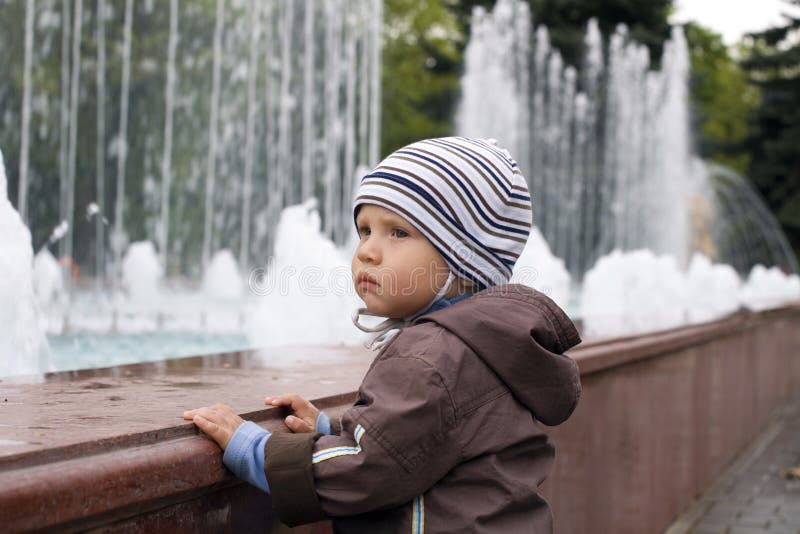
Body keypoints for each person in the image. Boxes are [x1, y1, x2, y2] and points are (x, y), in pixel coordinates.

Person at [183, 136, 582, 533]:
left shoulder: (431, 357)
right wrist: (330, 432)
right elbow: (423, 445)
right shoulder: (484, 344)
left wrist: (254, 447)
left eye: (398, 233)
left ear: (465, 260)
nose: (367, 252)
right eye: (365, 230)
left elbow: (364, 470)